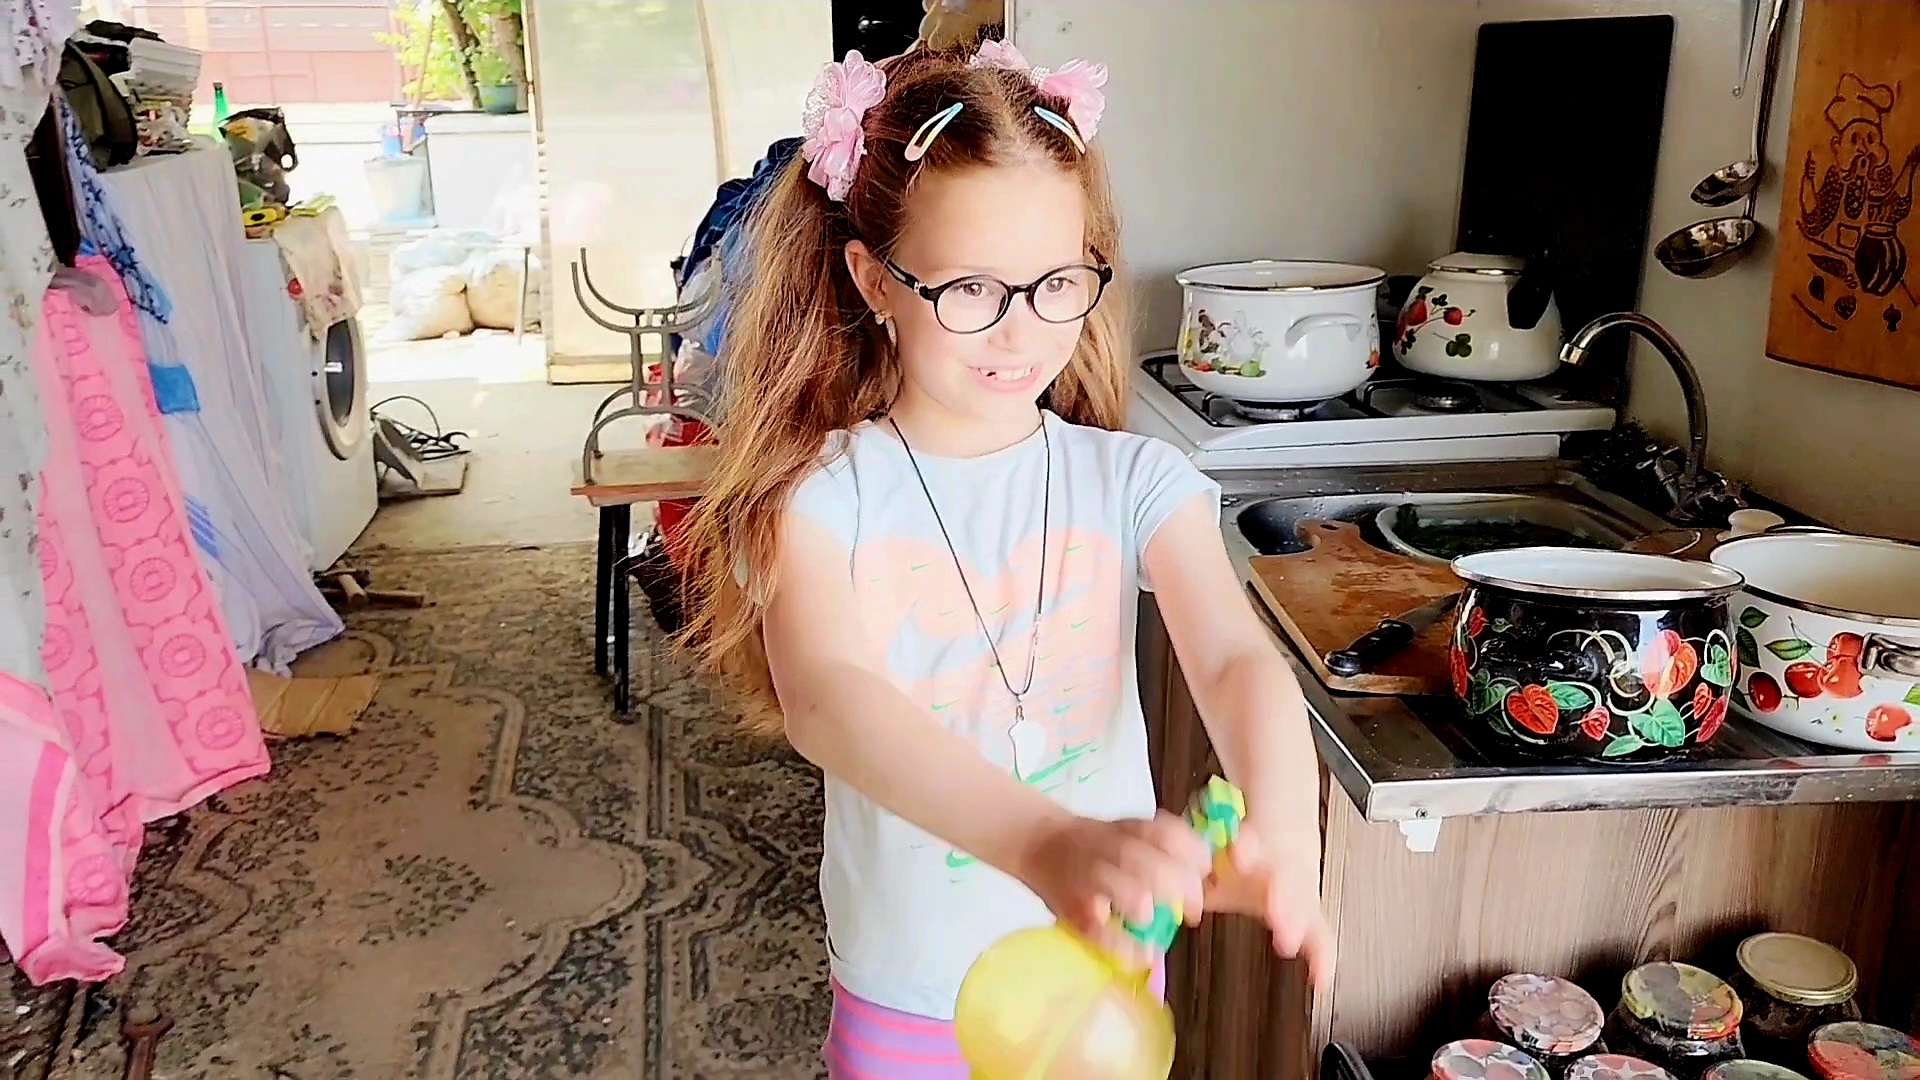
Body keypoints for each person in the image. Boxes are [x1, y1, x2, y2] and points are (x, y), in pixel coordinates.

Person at [677, 41, 1330, 1079]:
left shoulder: (1135, 480)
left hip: (1103, 979)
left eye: (1056, 283)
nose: (1020, 333)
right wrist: (1043, 844)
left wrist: (1287, 831)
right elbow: (829, 698)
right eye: (972, 288)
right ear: (875, 281)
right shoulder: (823, 493)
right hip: (911, 996)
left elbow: (1234, 658)